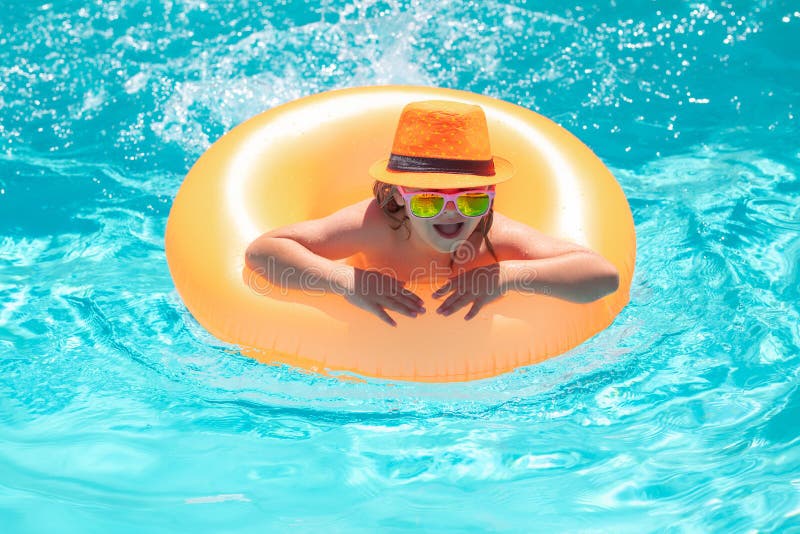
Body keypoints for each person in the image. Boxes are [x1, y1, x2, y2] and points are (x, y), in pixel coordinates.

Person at [245, 100, 619, 326]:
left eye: (471, 200)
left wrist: (508, 276)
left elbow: (602, 277)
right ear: (398, 197)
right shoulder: (374, 225)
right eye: (429, 201)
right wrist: (344, 281)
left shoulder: (490, 237)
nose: (451, 213)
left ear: (490, 196)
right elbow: (265, 252)